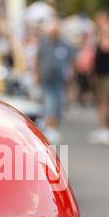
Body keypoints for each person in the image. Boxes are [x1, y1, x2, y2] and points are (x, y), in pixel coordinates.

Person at [36, 15, 72, 143]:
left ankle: (53, 126)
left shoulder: (65, 45)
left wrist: (70, 76)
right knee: (49, 102)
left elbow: (70, 62)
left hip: (60, 80)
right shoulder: (44, 44)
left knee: (59, 103)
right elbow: (38, 60)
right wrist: (37, 74)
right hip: (47, 78)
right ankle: (50, 128)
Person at [87, 10, 109, 145]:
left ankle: (106, 129)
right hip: (98, 73)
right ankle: (101, 128)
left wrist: (104, 33)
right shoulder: (98, 33)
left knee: (106, 102)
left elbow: (107, 47)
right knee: (100, 102)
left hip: (107, 74)